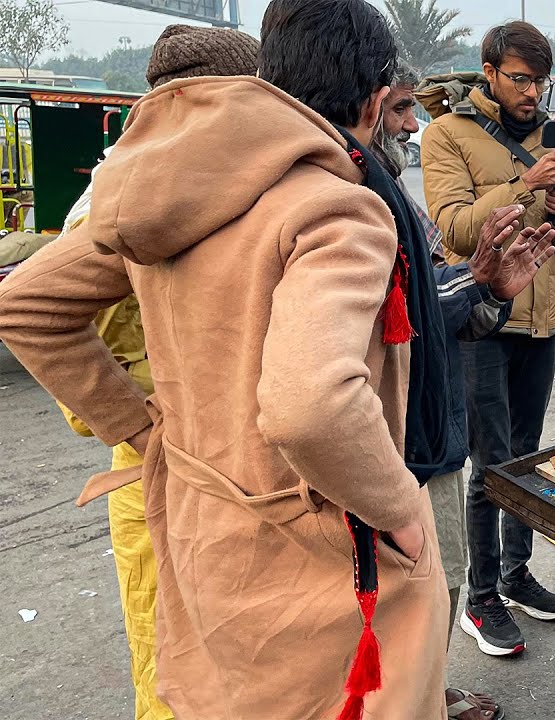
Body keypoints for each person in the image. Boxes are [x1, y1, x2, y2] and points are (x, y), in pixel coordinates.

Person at [0, 1, 459, 716]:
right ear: (374, 99)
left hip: (199, 532)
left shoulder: (150, 200)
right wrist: (400, 508)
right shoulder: (336, 207)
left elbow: (24, 305)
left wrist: (146, 433)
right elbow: (311, 407)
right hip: (315, 561)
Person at [45, 24, 260, 720]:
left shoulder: (214, 186)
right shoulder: (119, 198)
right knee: (172, 669)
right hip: (158, 475)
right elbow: (54, 330)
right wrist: (146, 433)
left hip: (226, 472)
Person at [373, 65, 543, 720]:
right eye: (398, 111)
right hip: (405, 438)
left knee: (429, 585)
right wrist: (476, 279)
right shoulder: (362, 194)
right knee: (425, 584)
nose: (411, 125)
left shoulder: (386, 188)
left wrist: (486, 288)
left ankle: (426, 693)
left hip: (430, 420)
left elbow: (432, 291)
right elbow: (403, 313)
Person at [420, 20, 555, 658]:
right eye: (520, 78)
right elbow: (456, 231)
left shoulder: (548, 139)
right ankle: (482, 595)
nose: (532, 92)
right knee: (489, 464)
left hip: (540, 324)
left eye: (541, 81)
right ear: (488, 72)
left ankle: (517, 576)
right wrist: (525, 185)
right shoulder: (446, 135)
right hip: (483, 319)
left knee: (528, 458)